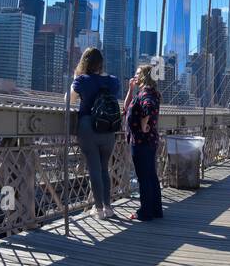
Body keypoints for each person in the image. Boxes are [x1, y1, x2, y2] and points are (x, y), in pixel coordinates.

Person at [69, 47, 120, 219]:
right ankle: (108, 207)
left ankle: (98, 210)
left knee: (94, 170)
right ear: (101, 63)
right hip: (108, 129)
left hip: (88, 127)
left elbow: (69, 101)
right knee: (105, 169)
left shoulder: (82, 80)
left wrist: (74, 81)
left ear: (85, 62)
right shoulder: (114, 81)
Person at [125, 64, 163, 222]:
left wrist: (143, 124)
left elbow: (149, 107)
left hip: (142, 141)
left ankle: (145, 212)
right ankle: (155, 209)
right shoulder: (146, 91)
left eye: (138, 73)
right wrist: (130, 90)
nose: (135, 74)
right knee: (151, 176)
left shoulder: (146, 92)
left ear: (145, 76)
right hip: (147, 141)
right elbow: (126, 108)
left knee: (144, 177)